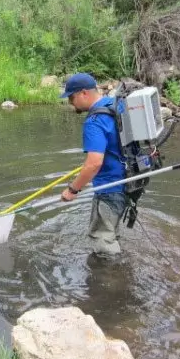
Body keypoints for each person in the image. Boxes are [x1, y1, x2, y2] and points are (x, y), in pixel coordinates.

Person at [59, 73, 126, 256]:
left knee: (103, 243)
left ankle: (113, 279)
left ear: (84, 93)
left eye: (71, 97)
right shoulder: (115, 105)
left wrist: (72, 190)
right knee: (111, 232)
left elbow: (94, 163)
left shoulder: (94, 121)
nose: (70, 103)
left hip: (110, 187)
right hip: (129, 182)